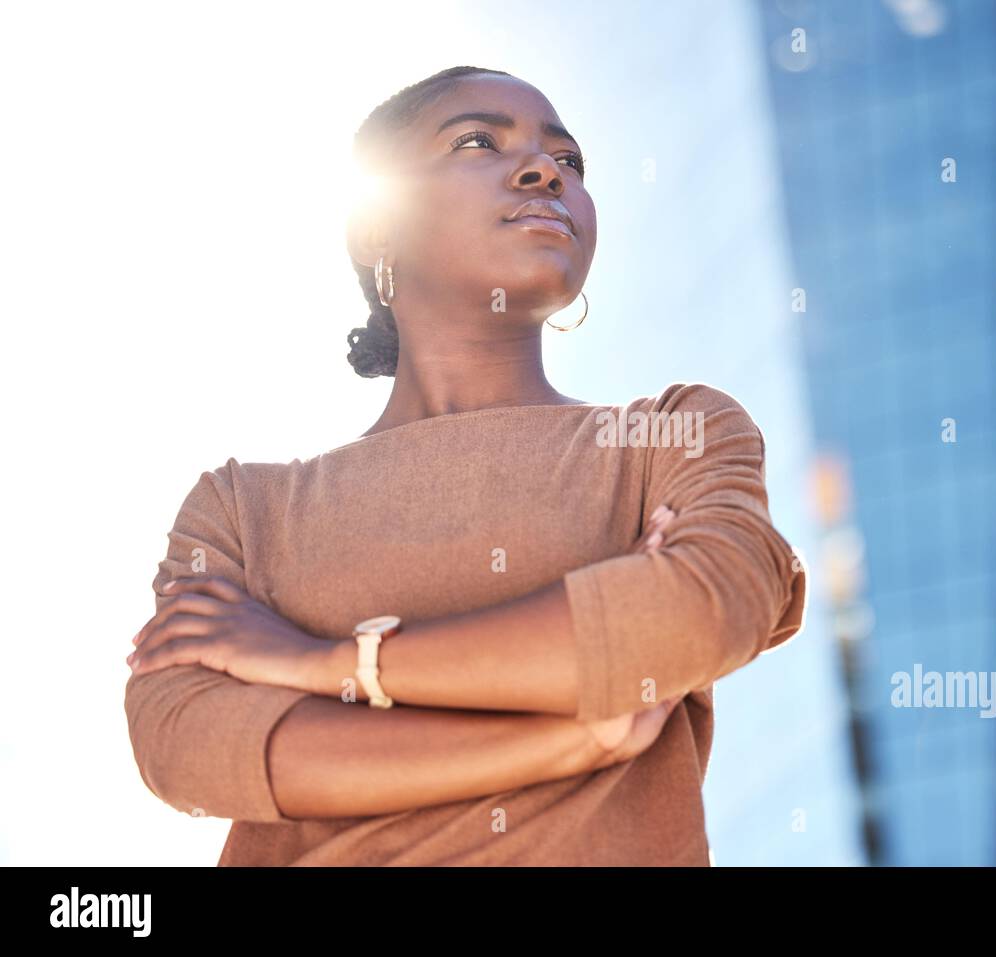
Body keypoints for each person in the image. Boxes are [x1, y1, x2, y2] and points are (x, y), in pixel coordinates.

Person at [123, 65, 807, 866]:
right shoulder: (241, 509)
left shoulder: (676, 432)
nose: (546, 170)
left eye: (570, 161)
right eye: (477, 140)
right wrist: (570, 735)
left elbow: (702, 608)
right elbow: (185, 748)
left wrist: (325, 663)